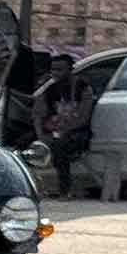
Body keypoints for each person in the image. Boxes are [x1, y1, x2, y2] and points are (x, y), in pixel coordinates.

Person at [34, 53, 94, 192]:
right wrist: (41, 135)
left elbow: (83, 118)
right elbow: (38, 115)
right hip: (56, 131)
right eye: (53, 69)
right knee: (24, 143)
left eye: (60, 69)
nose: (56, 73)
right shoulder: (50, 90)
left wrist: (62, 131)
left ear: (71, 69)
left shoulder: (83, 88)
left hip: (78, 132)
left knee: (60, 146)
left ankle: (64, 189)